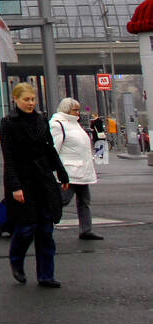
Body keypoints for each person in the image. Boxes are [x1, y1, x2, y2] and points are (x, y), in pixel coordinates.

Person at [0, 83, 69, 287]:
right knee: (26, 229)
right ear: (16, 100)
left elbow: (49, 149)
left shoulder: (40, 120)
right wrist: (15, 187)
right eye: (26, 100)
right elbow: (9, 158)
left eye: (32, 99)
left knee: (46, 230)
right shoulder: (8, 123)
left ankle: (46, 275)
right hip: (23, 179)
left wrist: (62, 172)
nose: (31, 103)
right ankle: (16, 262)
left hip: (43, 178)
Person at [50, 98, 102, 241]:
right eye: (75, 110)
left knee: (84, 201)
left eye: (78, 109)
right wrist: (56, 169)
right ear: (67, 110)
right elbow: (53, 149)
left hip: (81, 170)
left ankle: (86, 230)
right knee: (61, 200)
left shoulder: (74, 124)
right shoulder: (58, 124)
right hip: (69, 171)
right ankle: (39, 225)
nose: (78, 112)